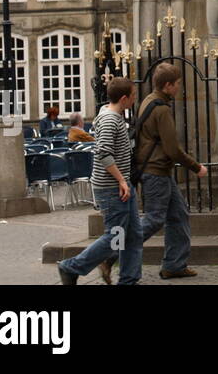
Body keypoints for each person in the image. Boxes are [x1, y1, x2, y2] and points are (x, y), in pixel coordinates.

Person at [57, 78, 143, 285]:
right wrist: (122, 181)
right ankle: (71, 267)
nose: (134, 100)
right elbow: (103, 153)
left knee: (132, 234)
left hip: (120, 185)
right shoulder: (109, 119)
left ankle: (129, 279)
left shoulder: (110, 114)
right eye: (133, 96)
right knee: (115, 237)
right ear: (123, 98)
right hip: (113, 187)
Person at [134, 62, 208, 281]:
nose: (179, 88)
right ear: (167, 86)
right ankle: (110, 253)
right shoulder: (162, 109)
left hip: (157, 171)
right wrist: (196, 167)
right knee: (154, 219)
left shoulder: (148, 100)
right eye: (177, 84)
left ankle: (174, 264)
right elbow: (172, 149)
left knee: (178, 214)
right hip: (156, 171)